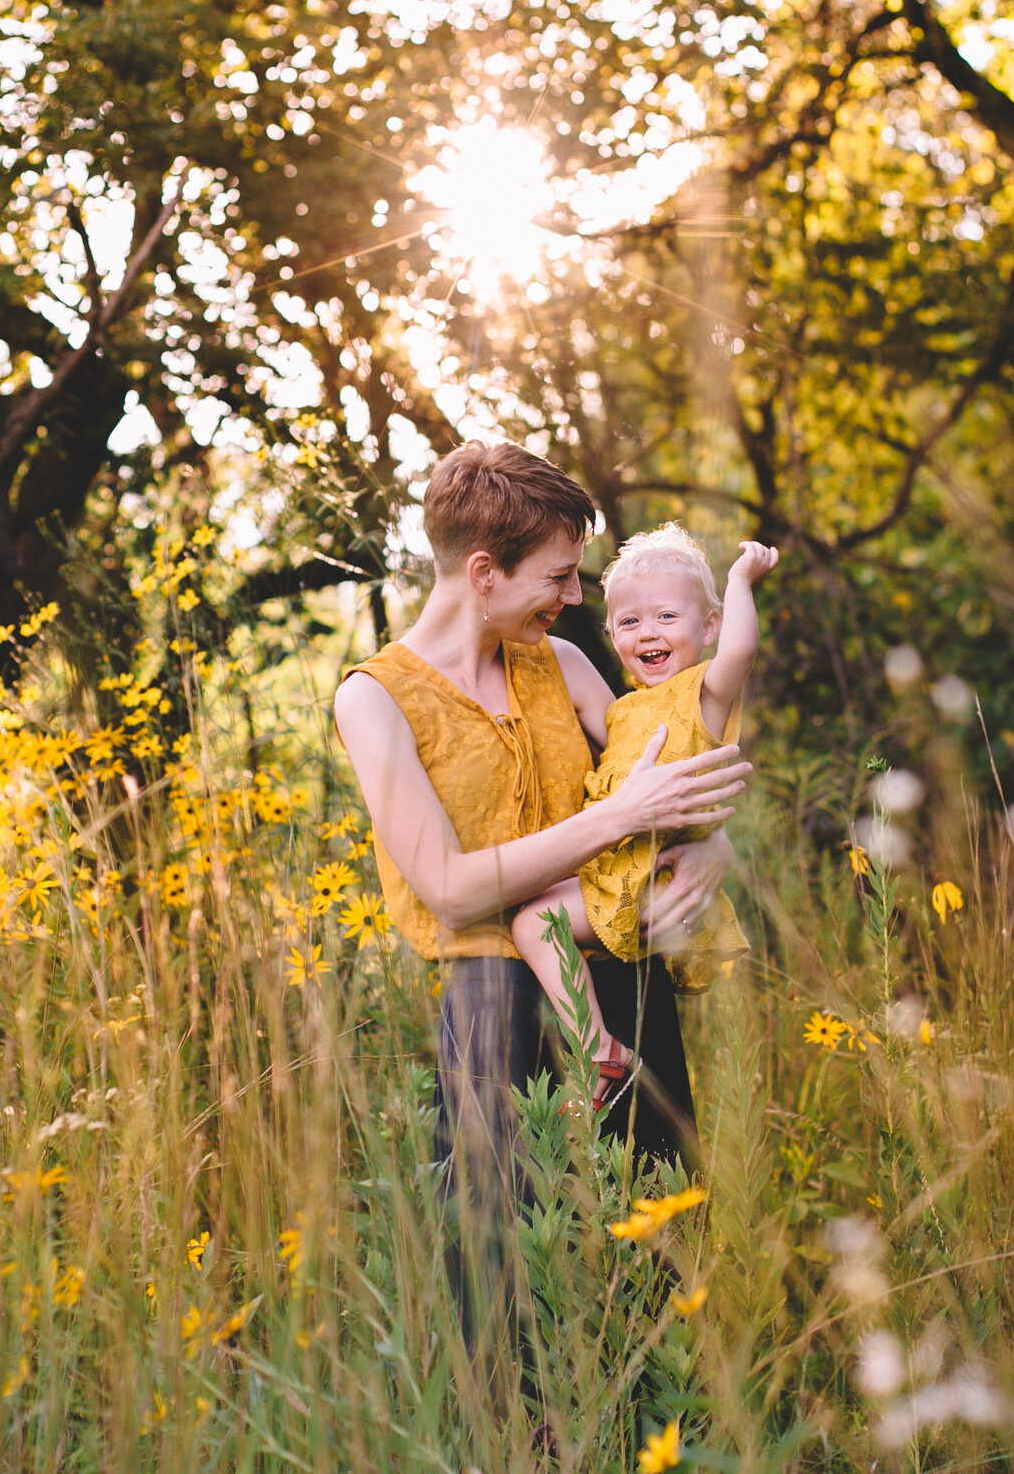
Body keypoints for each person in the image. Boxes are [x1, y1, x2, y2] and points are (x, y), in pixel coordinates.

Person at [329, 443, 750, 1363]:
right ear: (485, 571)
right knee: (503, 1278)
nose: (571, 596)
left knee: (660, 1249)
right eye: (557, 575)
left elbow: (664, 762)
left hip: (623, 979)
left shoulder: (559, 661)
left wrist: (704, 834)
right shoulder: (375, 700)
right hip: (491, 1009)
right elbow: (445, 884)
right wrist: (623, 819)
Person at [506, 525, 777, 1107]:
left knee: (533, 924)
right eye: (630, 622)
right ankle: (599, 1044)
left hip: (647, 877)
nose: (647, 632)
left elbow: (742, 650)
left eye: (666, 618)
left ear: (708, 626)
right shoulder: (627, 711)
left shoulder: (702, 695)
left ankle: (597, 1048)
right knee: (537, 907)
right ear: (611, 634)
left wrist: (740, 582)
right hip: (621, 870)